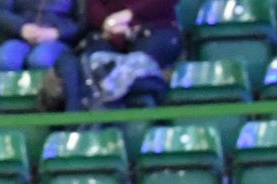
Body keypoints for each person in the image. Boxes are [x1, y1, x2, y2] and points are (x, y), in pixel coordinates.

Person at [47, 0, 182, 111]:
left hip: (156, 30)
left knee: (137, 68)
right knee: (88, 65)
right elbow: (92, 7)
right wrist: (109, 24)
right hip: (109, 32)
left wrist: (130, 15)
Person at [0, 0, 81, 74]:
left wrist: (57, 32)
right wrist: (22, 27)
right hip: (20, 38)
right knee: (6, 60)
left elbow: (83, 22)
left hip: (58, 40)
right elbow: (0, 12)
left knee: (40, 59)